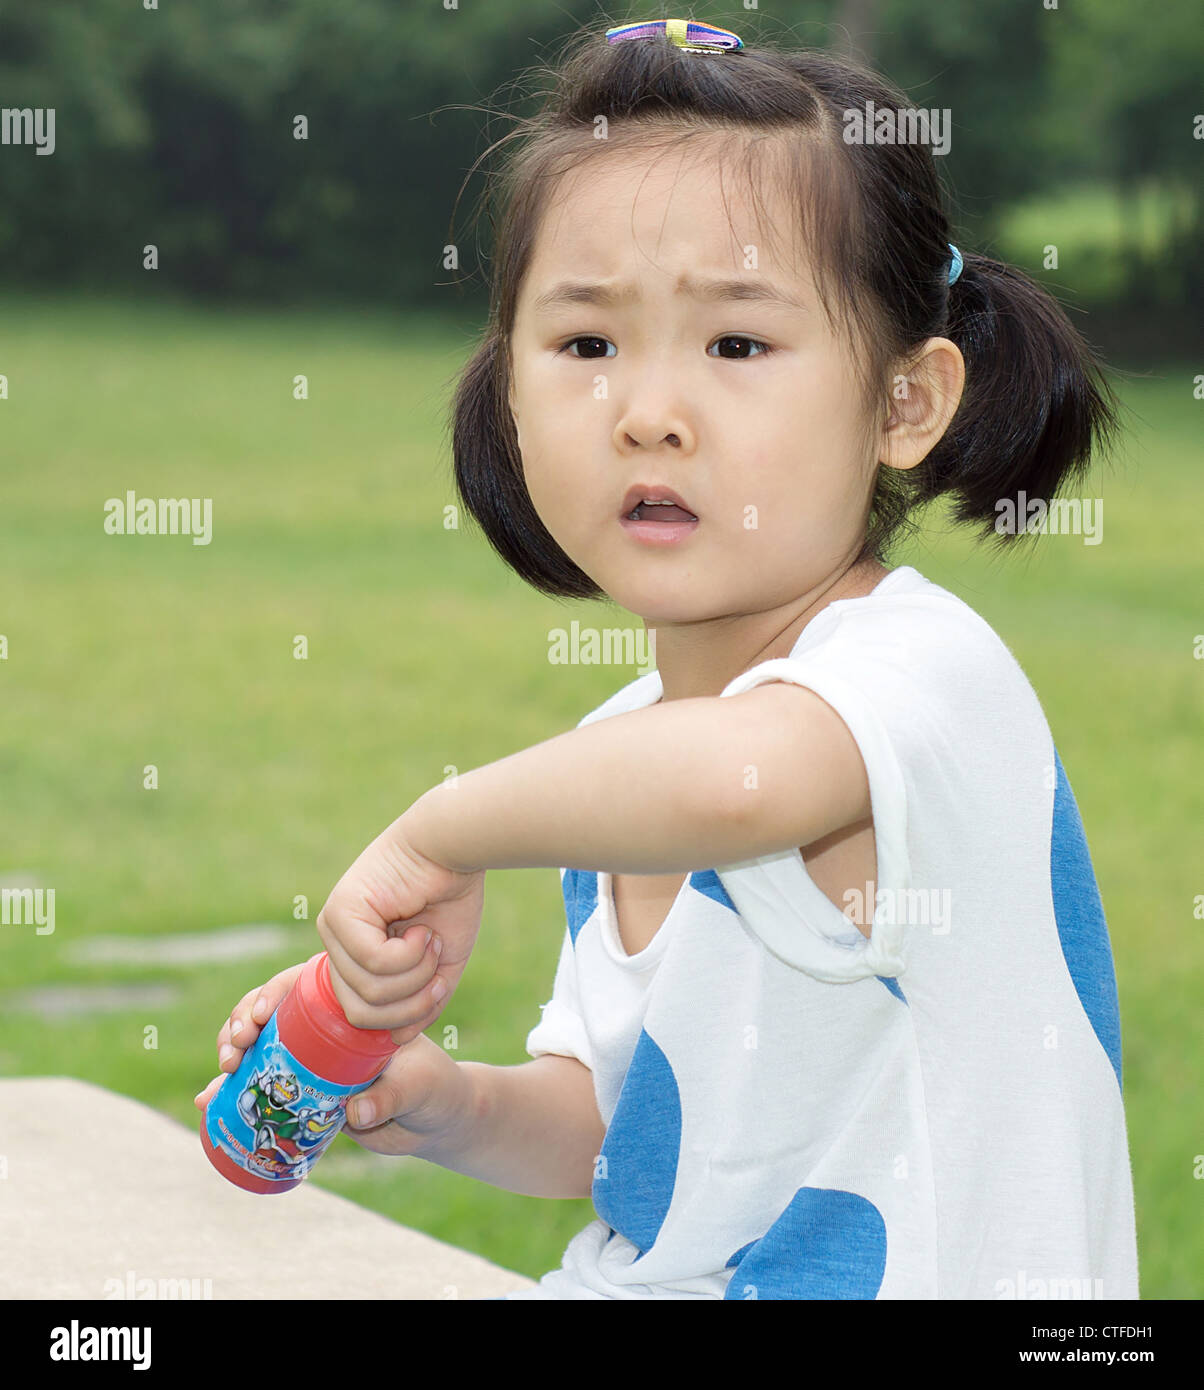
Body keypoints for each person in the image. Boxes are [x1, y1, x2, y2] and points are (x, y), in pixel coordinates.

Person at [196, 18, 1139, 1299]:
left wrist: (442, 831)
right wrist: (443, 1103)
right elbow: (624, 1128)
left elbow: (746, 785)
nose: (648, 413)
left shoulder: (926, 675)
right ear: (508, 393)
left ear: (904, 401)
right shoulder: (619, 761)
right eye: (586, 345)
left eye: (737, 346)